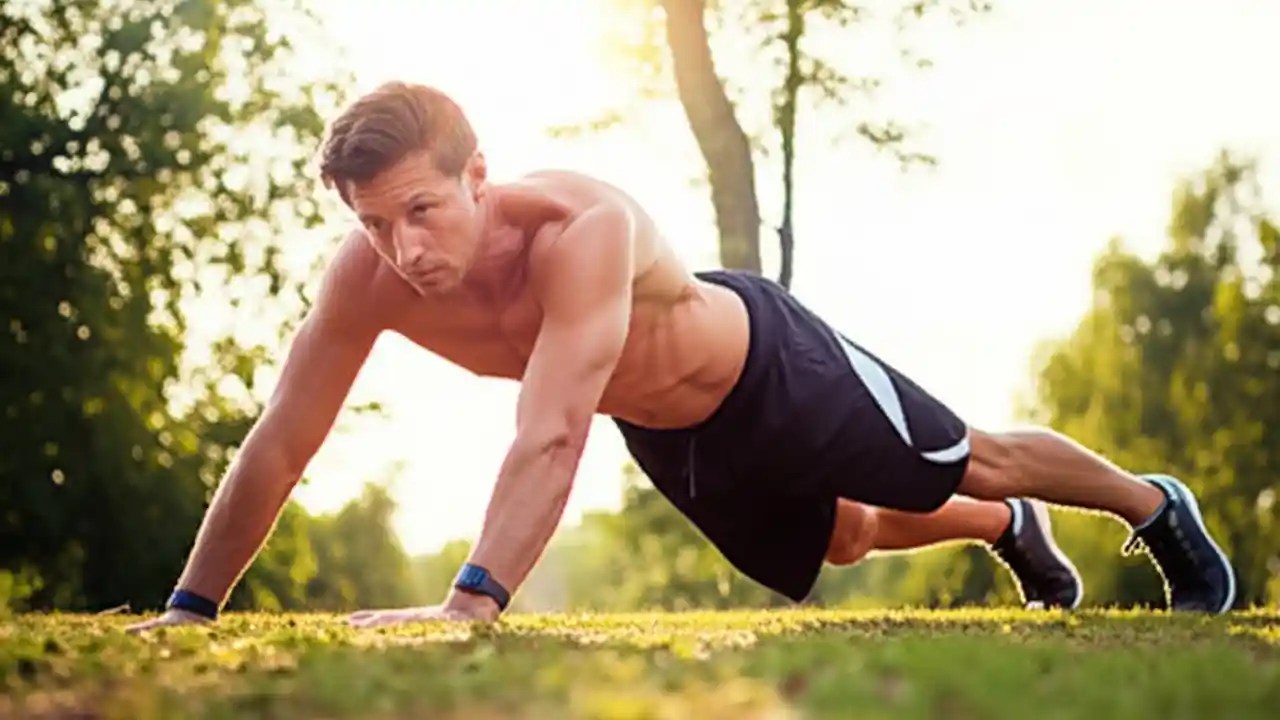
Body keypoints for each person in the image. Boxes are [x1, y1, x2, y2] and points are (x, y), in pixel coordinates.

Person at [124, 82, 1235, 633]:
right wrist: (189, 611)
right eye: (373, 223)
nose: (401, 249)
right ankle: (1008, 533)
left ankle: (1152, 507)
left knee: (970, 456)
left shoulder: (581, 231)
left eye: (418, 209)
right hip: (665, 426)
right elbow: (279, 445)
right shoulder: (363, 277)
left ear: (475, 178)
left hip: (768, 366)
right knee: (843, 540)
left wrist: (468, 607)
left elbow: (552, 429)